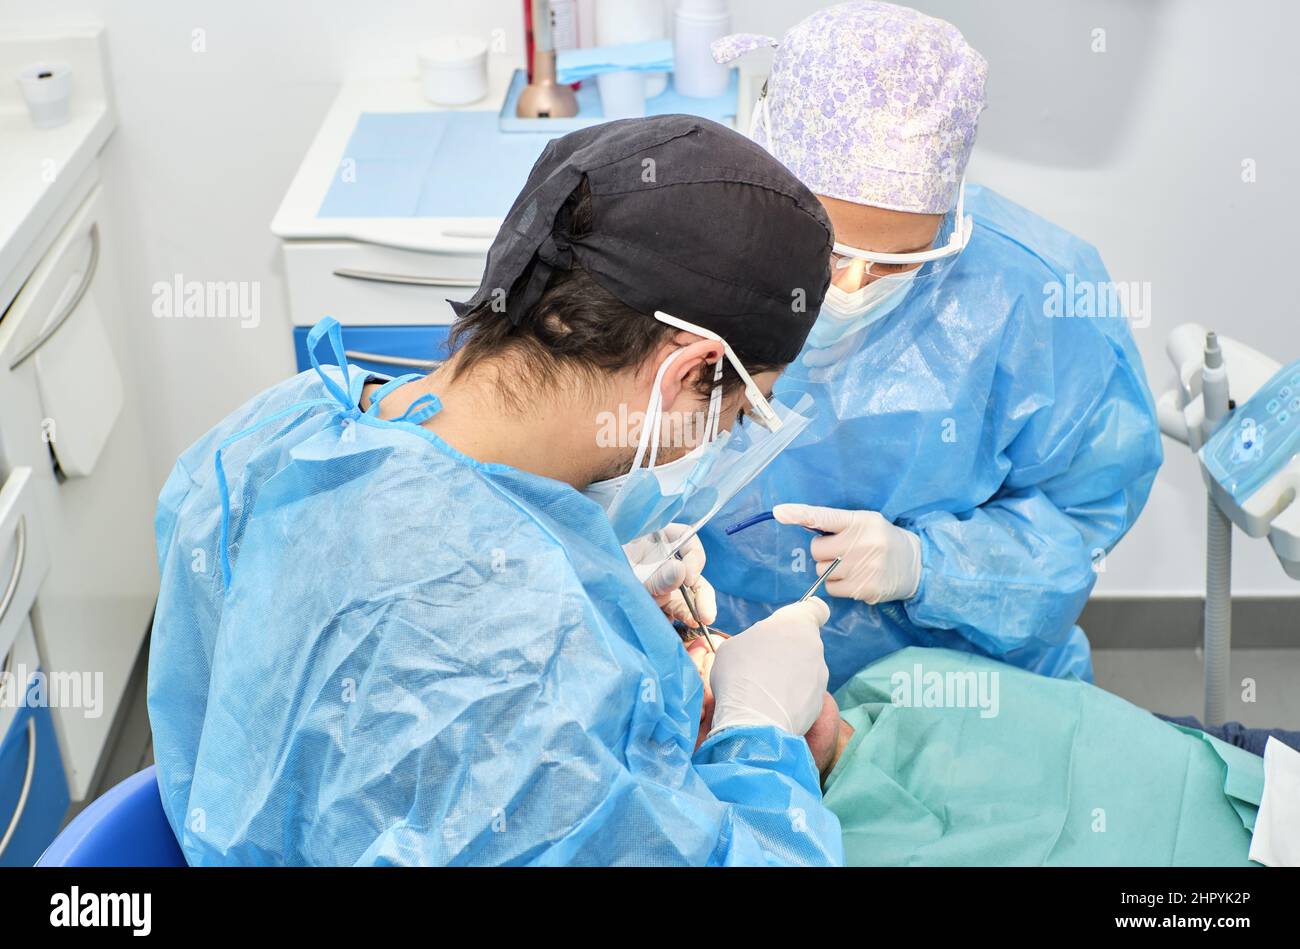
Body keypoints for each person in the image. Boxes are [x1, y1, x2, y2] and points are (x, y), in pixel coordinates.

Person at [147, 115, 846, 866]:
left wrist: (591, 585)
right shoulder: (526, 653)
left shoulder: (275, 431)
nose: (719, 441)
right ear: (685, 373)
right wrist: (761, 734)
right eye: (739, 412)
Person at [703, 2, 1164, 689]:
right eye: (828, 247)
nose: (853, 285)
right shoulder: (682, 245)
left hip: (954, 680)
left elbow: (1083, 519)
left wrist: (928, 565)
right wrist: (629, 535)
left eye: (897, 260)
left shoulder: (1033, 296)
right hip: (712, 646)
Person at [686, 636, 1272, 866]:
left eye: (697, 642)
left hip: (1236, 776)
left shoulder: (898, 681)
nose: (718, 669)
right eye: (696, 711)